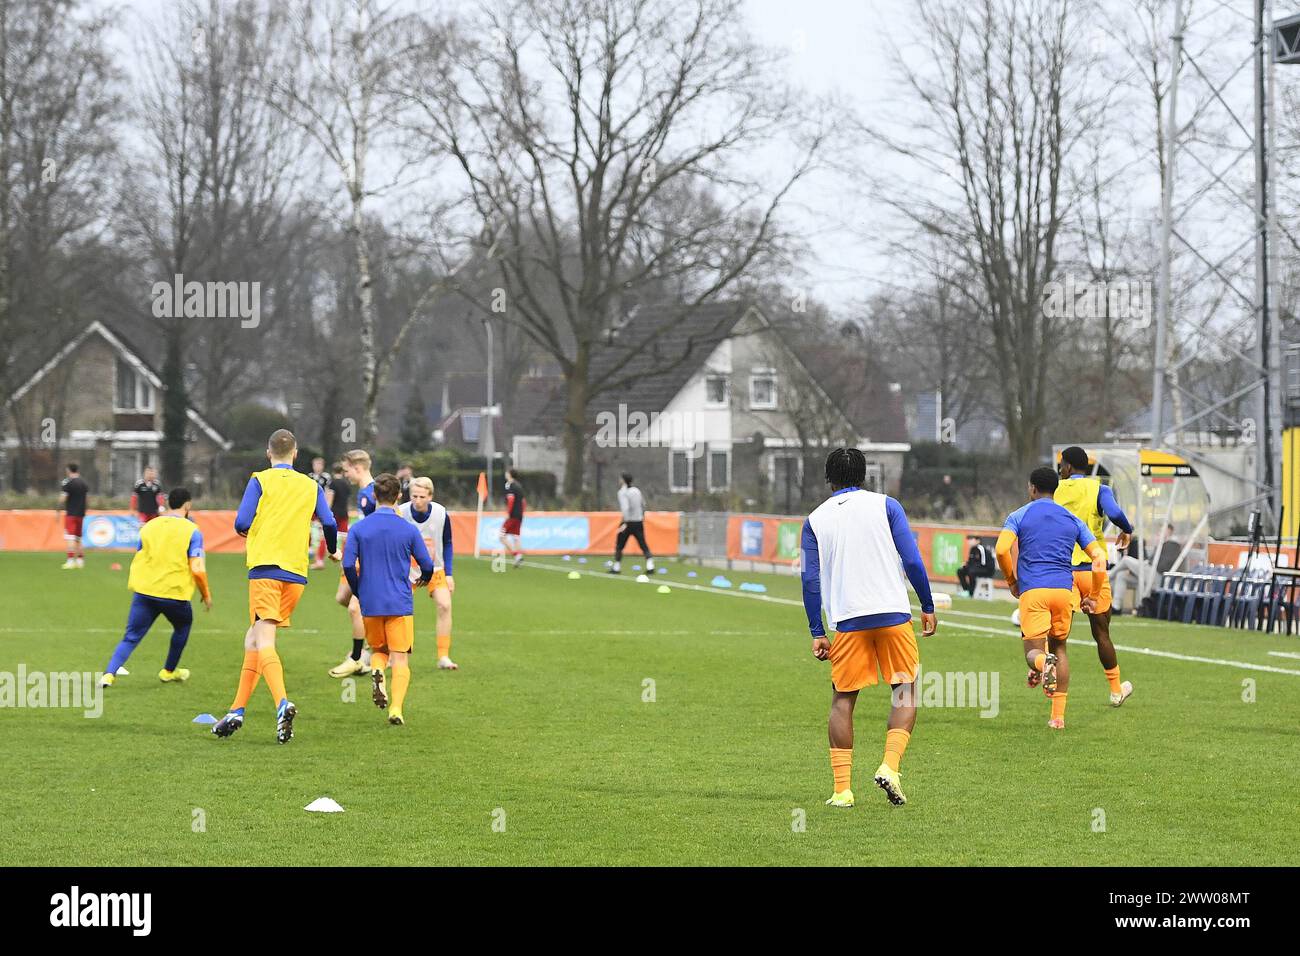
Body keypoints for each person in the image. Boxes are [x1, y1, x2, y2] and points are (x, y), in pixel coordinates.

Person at [801, 447, 937, 809]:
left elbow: (810, 579)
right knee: (904, 691)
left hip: (848, 619)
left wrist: (817, 630)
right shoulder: (886, 505)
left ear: (828, 479)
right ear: (864, 476)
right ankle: (890, 767)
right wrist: (926, 604)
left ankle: (842, 791)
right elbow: (911, 559)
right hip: (892, 614)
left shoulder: (815, 519)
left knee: (843, 699)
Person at [212, 429, 338, 743]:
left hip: (266, 568)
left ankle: (282, 703)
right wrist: (333, 548)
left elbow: (241, 522)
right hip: (296, 573)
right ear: (295, 454)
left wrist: (255, 532)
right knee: (252, 639)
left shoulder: (260, 479)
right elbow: (331, 522)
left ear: (269, 453)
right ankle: (236, 711)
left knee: (264, 640)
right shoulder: (310, 485)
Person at [995, 467, 1108, 731]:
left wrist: (1012, 581)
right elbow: (1100, 558)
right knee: (1059, 648)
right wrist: (1092, 596)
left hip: (1033, 590)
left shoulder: (1019, 515)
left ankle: (1041, 665)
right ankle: (1058, 717)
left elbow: (1001, 549)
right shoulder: (1071, 519)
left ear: (1032, 488)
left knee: (1033, 652)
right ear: (1055, 489)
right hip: (1063, 592)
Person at [343, 473, 434, 725]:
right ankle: (395, 709)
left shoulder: (359, 528)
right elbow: (427, 564)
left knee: (378, 650)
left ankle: (377, 670)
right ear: (399, 496)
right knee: (401, 657)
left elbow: (348, 563)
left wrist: (358, 589)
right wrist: (424, 578)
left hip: (371, 600)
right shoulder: (408, 529)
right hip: (399, 601)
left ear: (374, 496)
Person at [101, 487, 211, 688]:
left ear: (169, 503)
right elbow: (197, 568)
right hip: (174, 593)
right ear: (188, 505)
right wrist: (206, 594)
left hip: (145, 591)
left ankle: (109, 674)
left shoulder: (150, 526)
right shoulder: (192, 531)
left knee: (131, 637)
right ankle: (168, 671)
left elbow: (141, 554)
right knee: (182, 627)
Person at [1054, 445, 1136, 707]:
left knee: (1058, 639)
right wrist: (1127, 529)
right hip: (1093, 568)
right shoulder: (1099, 489)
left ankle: (1053, 692)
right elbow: (1115, 513)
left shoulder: (1054, 490)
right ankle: (1115, 691)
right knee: (1101, 634)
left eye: (1061, 465)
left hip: (1062, 572)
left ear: (1067, 467)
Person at [397, 477, 458, 670]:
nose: (417, 500)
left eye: (422, 496)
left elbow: (447, 542)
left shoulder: (441, 513)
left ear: (430, 496)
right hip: (408, 571)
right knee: (398, 611)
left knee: (445, 605)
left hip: (435, 569)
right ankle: (396, 653)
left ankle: (443, 656)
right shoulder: (401, 512)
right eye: (414, 496)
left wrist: (448, 573)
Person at [329, 449, 377, 678]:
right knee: (342, 597)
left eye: (347, 470)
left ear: (358, 468)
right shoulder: (364, 493)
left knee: (354, 607)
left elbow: (379, 529)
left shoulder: (372, 493)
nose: (345, 474)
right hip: (361, 556)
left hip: (371, 560)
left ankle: (358, 657)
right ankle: (374, 641)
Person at [609, 473, 654, 575]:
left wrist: (625, 521)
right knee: (643, 543)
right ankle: (650, 565)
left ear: (623, 480)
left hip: (628, 522)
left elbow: (625, 508)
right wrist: (641, 516)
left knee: (620, 544)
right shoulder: (636, 490)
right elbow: (643, 504)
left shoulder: (622, 492)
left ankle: (616, 567)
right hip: (638, 521)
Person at [57, 463, 89, 570]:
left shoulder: (68, 483)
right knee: (78, 538)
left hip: (71, 513)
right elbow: (87, 499)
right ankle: (80, 561)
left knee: (70, 537)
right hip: (81, 514)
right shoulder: (84, 483)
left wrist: (58, 508)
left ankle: (70, 561)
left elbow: (63, 498)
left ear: (68, 470)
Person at [500, 469, 526, 567]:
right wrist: (521, 512)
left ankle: (517, 555)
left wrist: (508, 512)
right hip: (519, 515)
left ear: (510, 475)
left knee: (501, 536)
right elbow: (523, 502)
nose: (505, 474)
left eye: (507, 473)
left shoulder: (509, 485)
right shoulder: (519, 486)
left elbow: (511, 500)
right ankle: (518, 557)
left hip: (512, 515)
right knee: (516, 536)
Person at [308, 456, 330, 569]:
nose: (317, 467)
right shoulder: (310, 477)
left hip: (321, 507)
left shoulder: (326, 477)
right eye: (315, 464)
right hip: (310, 507)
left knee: (322, 531)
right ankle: (310, 549)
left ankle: (319, 558)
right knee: (307, 528)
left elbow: (328, 492)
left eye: (319, 464)